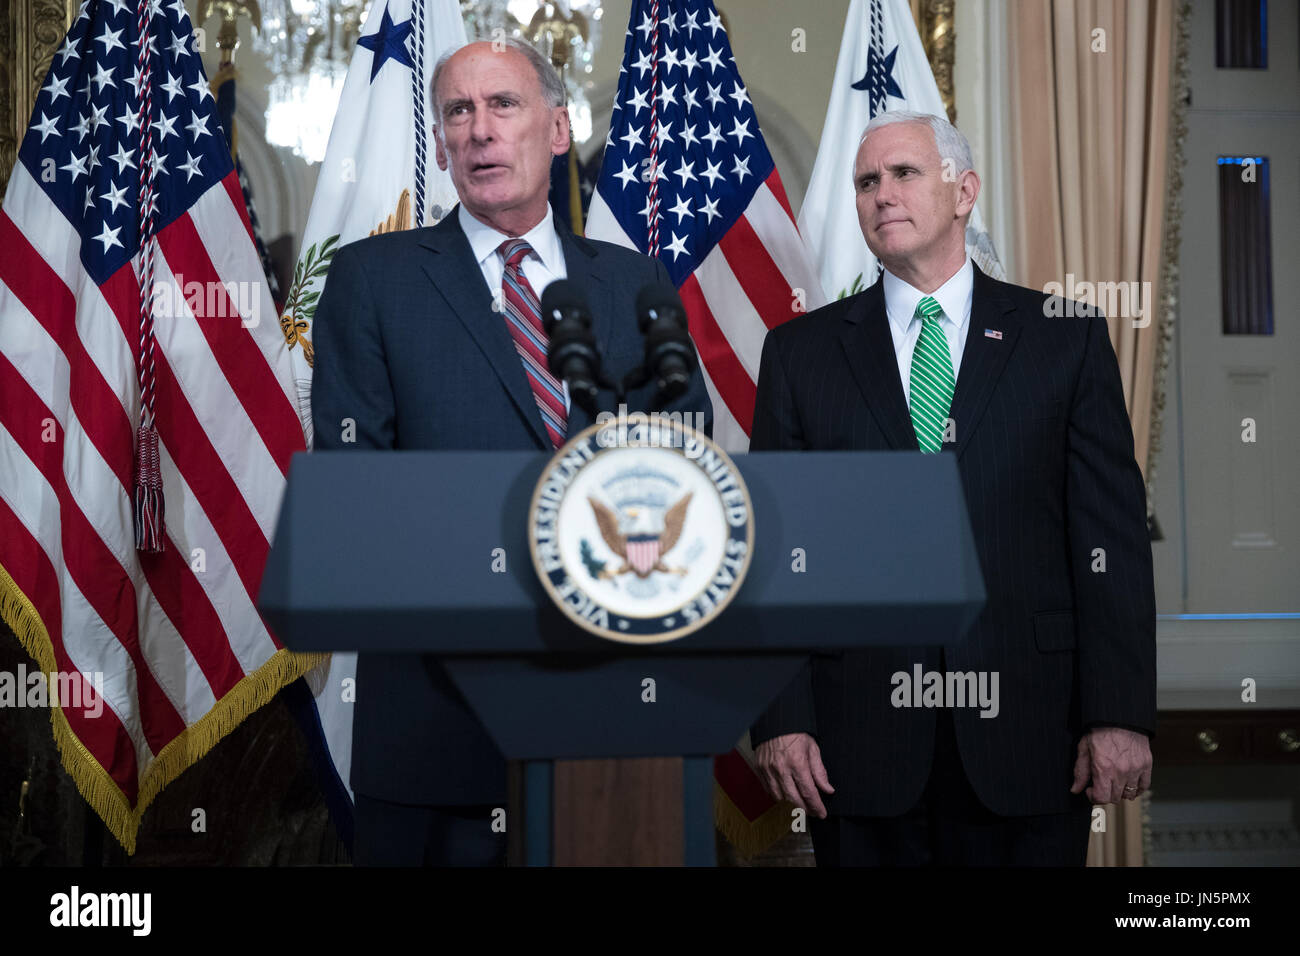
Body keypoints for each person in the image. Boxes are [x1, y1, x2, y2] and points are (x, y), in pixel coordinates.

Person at [311, 38, 711, 866]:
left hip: (618, 720)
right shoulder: (372, 282)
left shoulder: (634, 283)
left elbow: (686, 469)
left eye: (504, 105)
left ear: (559, 128)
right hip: (439, 723)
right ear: (443, 140)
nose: (480, 130)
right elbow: (360, 494)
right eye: (459, 111)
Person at [749, 111, 1155, 866]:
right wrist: (782, 715)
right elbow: (777, 548)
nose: (881, 194)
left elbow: (1111, 542)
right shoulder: (801, 353)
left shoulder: (1064, 336)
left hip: (1034, 735)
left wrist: (1119, 714)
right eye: (867, 181)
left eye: (903, 174)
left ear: (963, 191)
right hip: (857, 742)